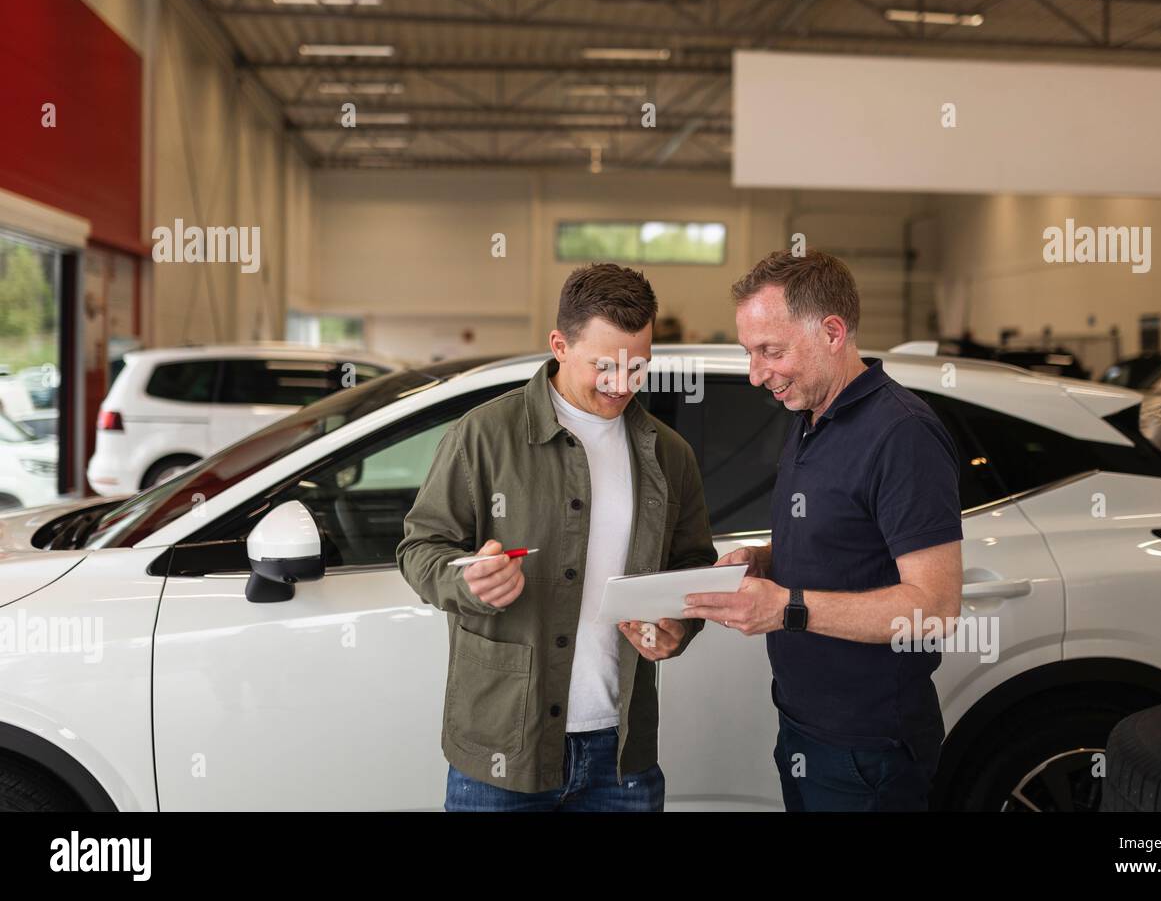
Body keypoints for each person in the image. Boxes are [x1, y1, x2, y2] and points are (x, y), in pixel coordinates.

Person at [397, 263, 716, 811]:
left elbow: (692, 565)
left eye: (637, 366)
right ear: (559, 345)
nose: (622, 383)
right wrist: (470, 583)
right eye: (604, 366)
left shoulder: (669, 454)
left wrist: (679, 627)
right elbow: (419, 549)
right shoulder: (483, 436)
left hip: (620, 755)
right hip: (504, 749)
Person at [683, 249, 963, 811]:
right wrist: (765, 559)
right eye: (749, 353)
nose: (756, 374)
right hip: (804, 726)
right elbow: (846, 545)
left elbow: (934, 607)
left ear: (832, 332)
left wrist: (788, 607)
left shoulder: (901, 435)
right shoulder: (810, 416)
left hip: (869, 748)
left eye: (770, 351)